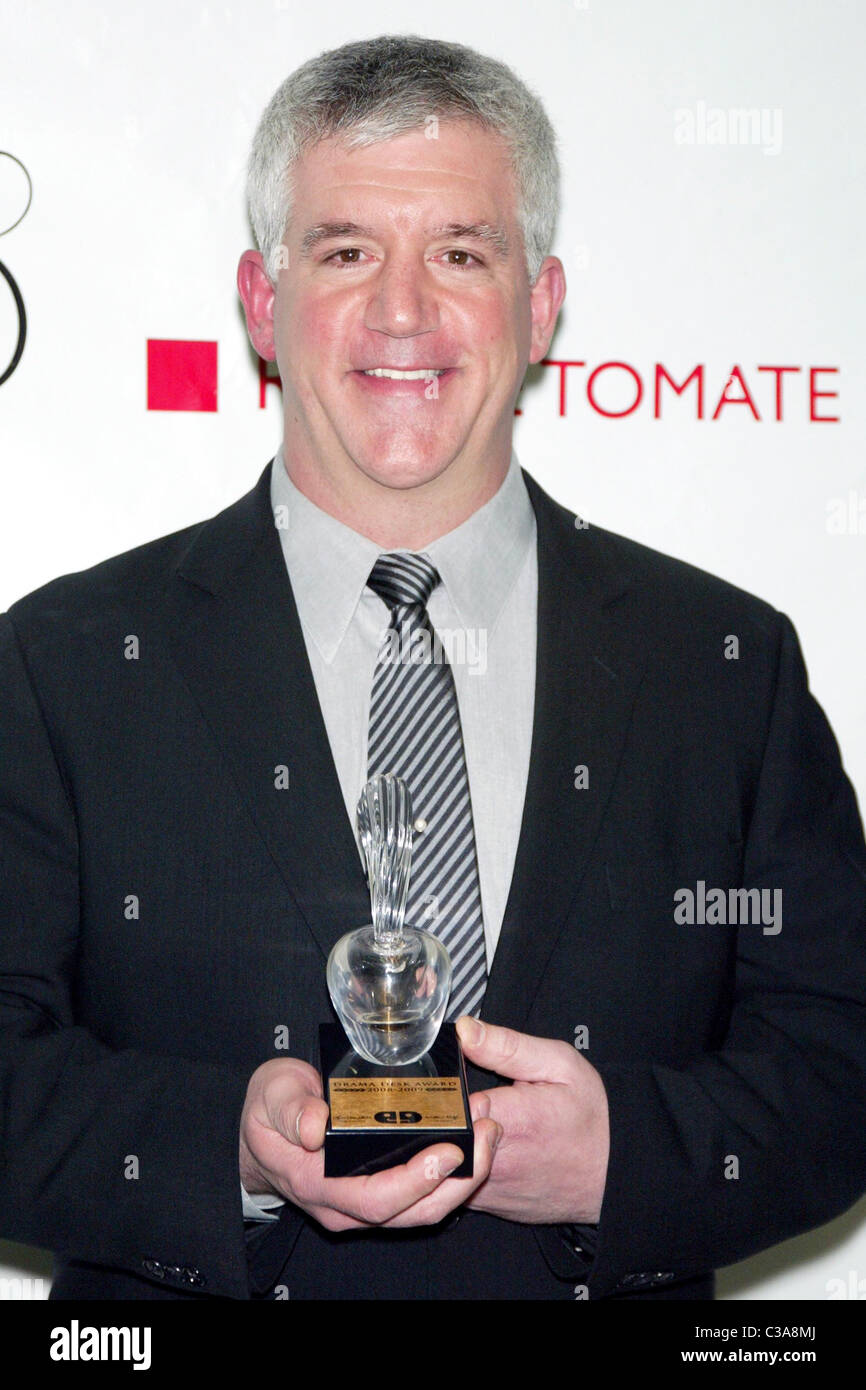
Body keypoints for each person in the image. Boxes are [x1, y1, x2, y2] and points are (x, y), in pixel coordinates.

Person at [1, 34, 865, 1303]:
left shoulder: (720, 664)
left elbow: (837, 1062)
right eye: (346, 251)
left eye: (461, 254)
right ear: (260, 301)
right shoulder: (66, 663)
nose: (402, 311)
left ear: (540, 302)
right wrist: (227, 1148)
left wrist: (621, 1158)